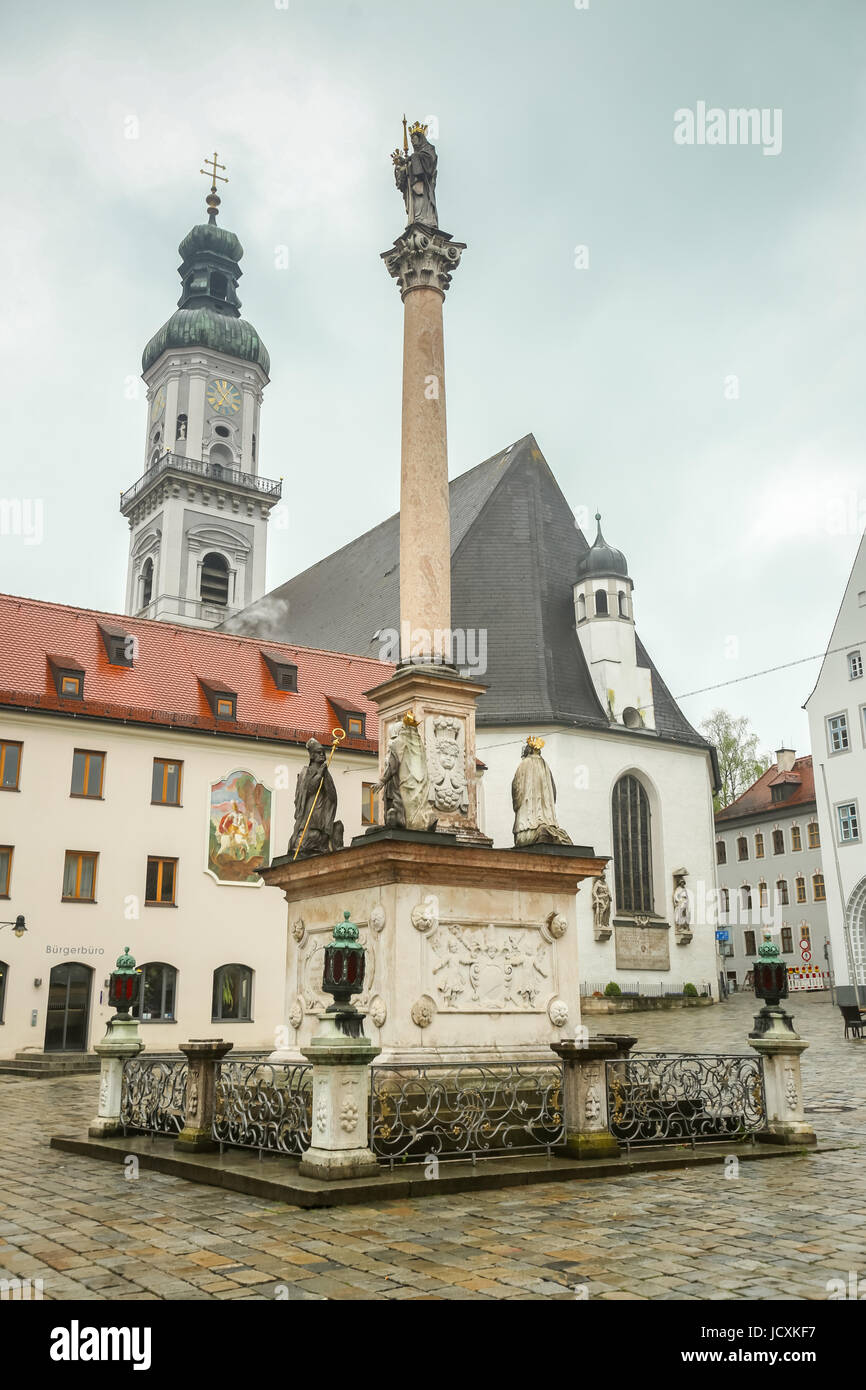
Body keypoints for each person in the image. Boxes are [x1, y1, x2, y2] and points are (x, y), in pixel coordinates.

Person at [511, 737, 572, 847]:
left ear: (527, 750)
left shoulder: (523, 764)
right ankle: (546, 828)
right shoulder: (545, 765)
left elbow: (517, 789)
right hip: (547, 818)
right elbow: (553, 793)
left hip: (528, 823)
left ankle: (531, 833)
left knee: (526, 832)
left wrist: (516, 804)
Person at [288, 738, 338, 858]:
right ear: (312, 755)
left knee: (318, 835)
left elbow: (332, 796)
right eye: (318, 752)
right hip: (309, 810)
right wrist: (319, 774)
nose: (322, 754)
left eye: (323, 752)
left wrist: (325, 777)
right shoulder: (307, 771)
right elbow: (309, 789)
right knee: (306, 836)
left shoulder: (326, 773)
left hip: (321, 811)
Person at [393, 123, 438, 228]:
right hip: (412, 189)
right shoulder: (414, 157)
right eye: (411, 139)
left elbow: (430, 163)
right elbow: (401, 182)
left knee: (423, 205)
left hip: (424, 184)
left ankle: (426, 221)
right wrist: (401, 167)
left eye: (414, 138)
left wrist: (411, 158)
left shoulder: (429, 149)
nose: (412, 141)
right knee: (416, 206)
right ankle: (415, 220)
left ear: (420, 138)